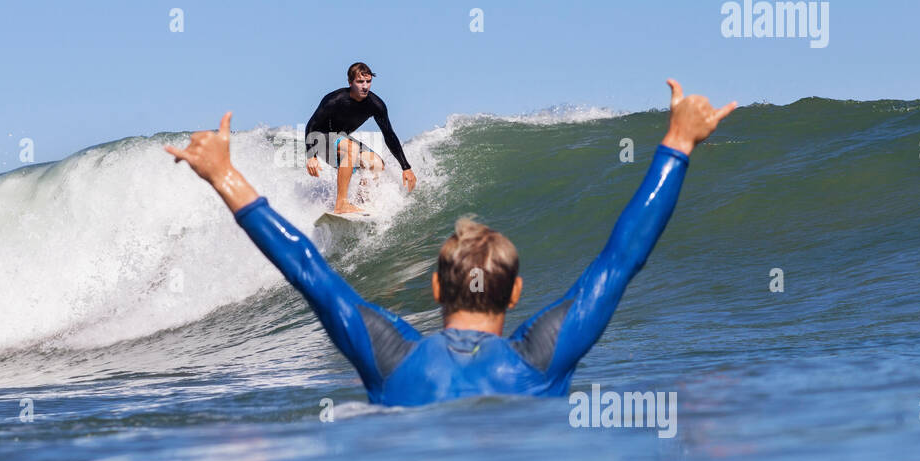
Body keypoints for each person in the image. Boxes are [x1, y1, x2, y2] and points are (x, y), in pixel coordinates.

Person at [165, 79, 736, 407]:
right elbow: (622, 259)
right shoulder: (538, 361)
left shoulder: (393, 358)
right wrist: (678, 142)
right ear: (515, 296)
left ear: (437, 285)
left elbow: (307, 268)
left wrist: (224, 176)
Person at [304, 62, 417, 213]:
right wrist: (311, 155)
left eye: (368, 81)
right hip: (319, 138)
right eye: (360, 82)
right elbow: (311, 125)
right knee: (352, 148)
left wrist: (406, 167)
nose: (365, 86)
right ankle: (341, 204)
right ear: (350, 83)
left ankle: (361, 201)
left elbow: (389, 134)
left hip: (340, 140)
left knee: (376, 164)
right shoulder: (334, 99)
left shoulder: (376, 105)